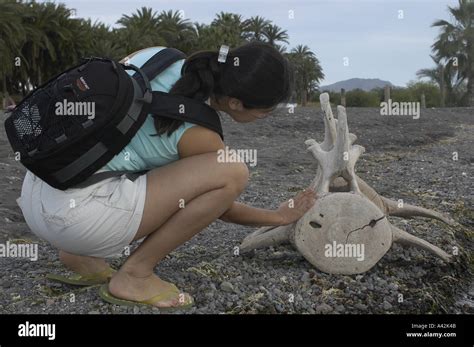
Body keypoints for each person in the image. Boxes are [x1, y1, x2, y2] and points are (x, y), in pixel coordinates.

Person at [16, 42, 317, 310]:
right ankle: (135, 275)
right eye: (264, 113)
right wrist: (277, 217)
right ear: (236, 103)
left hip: (39, 187)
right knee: (232, 172)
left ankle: (79, 256)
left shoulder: (156, 56)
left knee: (119, 158)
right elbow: (220, 206)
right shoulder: (202, 134)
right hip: (74, 223)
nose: (263, 119)